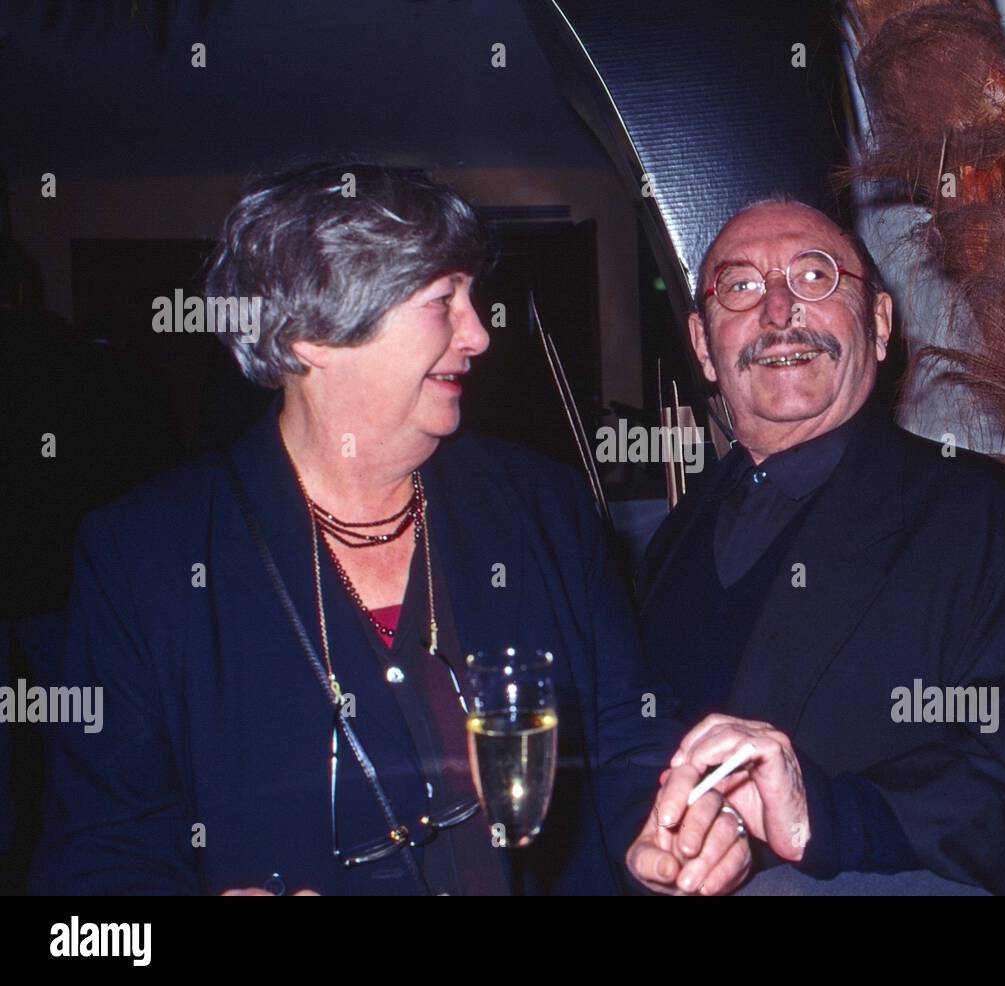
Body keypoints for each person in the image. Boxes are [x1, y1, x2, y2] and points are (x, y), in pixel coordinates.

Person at [29, 161, 747, 896]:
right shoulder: (145, 557)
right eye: (444, 300)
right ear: (310, 330)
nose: (479, 334)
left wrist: (667, 838)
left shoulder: (544, 507)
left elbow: (626, 733)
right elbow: (91, 880)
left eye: (472, 296)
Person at [629, 198, 1005, 895]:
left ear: (882, 324)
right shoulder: (670, 542)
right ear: (703, 345)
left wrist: (832, 819)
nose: (779, 312)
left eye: (816, 278)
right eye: (740, 286)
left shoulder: (993, 523)